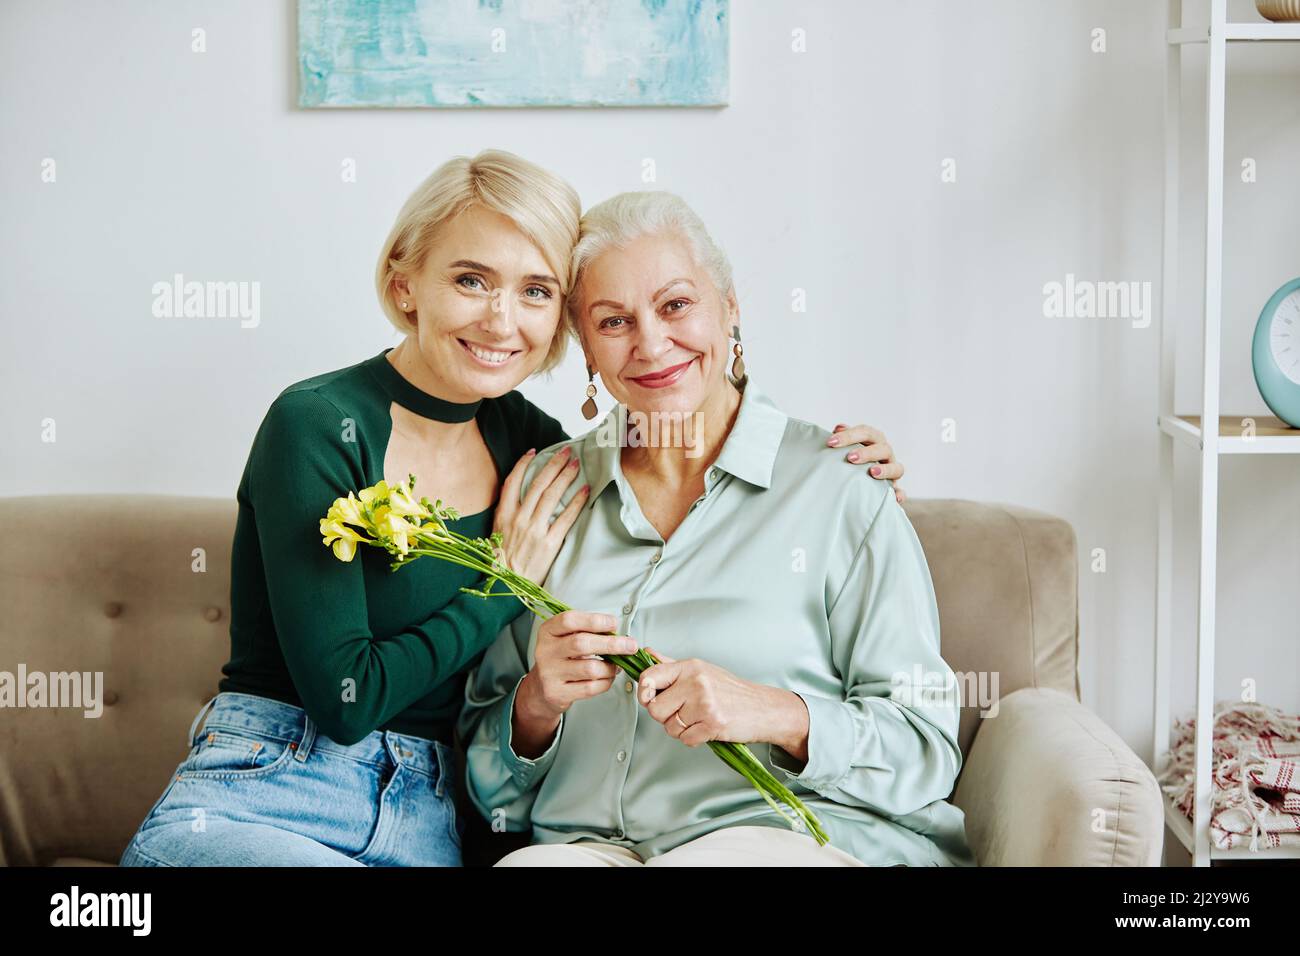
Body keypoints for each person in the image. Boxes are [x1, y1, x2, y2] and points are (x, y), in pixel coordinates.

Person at [119, 152, 909, 867]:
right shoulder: (323, 424)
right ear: (405, 286)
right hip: (276, 782)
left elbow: (686, 442)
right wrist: (503, 589)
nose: (502, 321)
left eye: (535, 291)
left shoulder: (536, 453)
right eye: (471, 280)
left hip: (425, 815)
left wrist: (836, 474)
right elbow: (346, 700)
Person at [461, 190, 974, 867]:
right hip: (585, 848)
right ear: (584, 345)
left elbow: (925, 744)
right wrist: (534, 703)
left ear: (731, 307)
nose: (651, 343)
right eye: (613, 321)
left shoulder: (840, 486)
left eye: (676, 305)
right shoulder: (544, 494)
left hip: (791, 838)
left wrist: (776, 712)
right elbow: (487, 783)